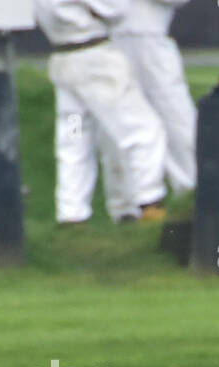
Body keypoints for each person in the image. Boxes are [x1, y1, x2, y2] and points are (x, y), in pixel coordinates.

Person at [34, 0, 167, 224]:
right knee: (143, 130)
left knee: (74, 138)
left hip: (64, 58)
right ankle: (149, 202)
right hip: (96, 61)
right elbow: (117, 9)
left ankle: (71, 214)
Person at [110, 0, 196, 200]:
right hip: (102, 42)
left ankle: (190, 189)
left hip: (149, 38)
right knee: (113, 125)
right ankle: (126, 204)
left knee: (177, 119)